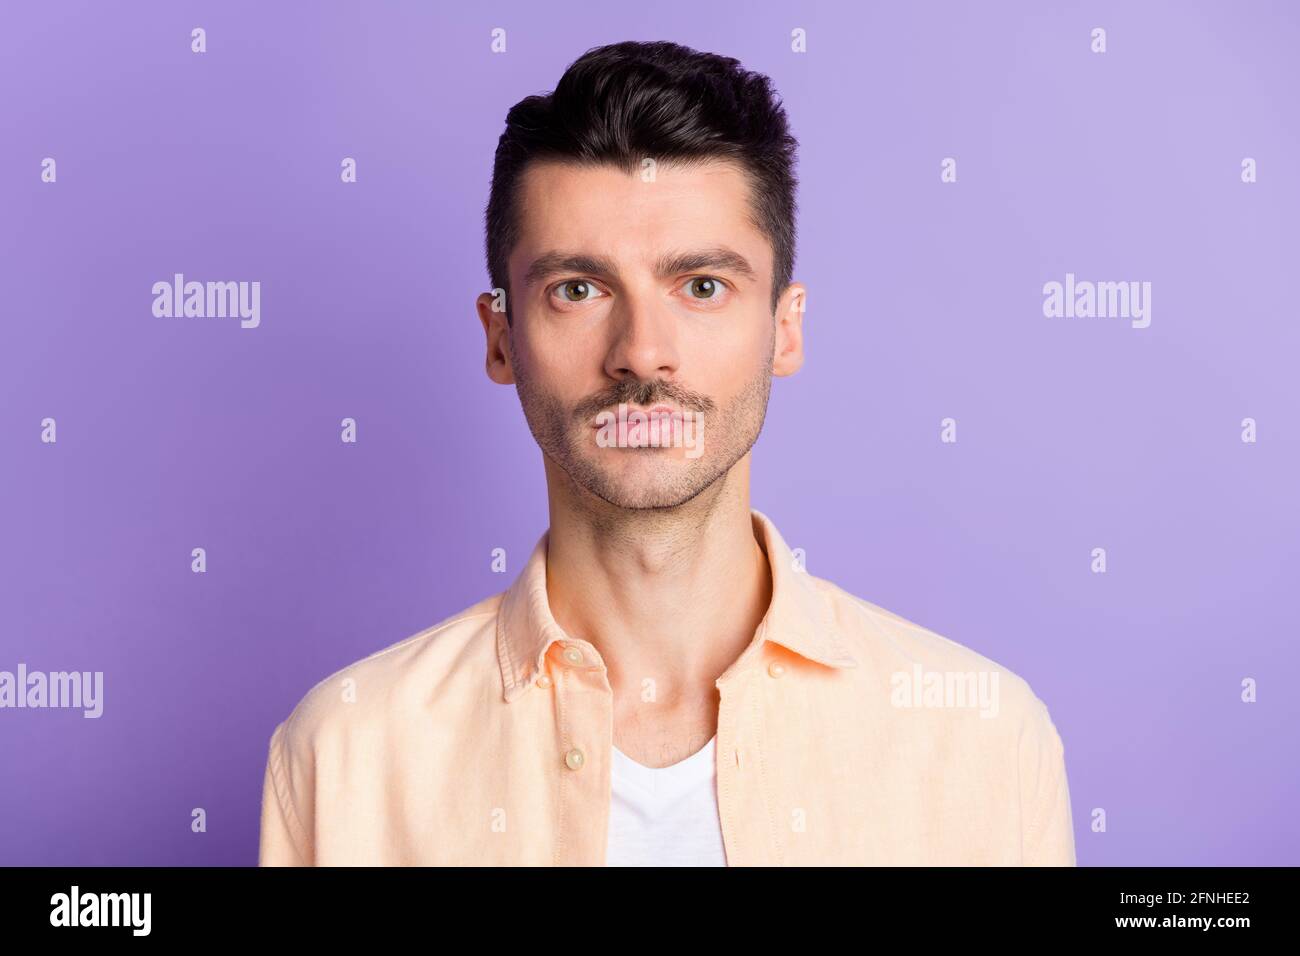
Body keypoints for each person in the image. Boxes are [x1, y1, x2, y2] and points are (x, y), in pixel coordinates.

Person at [258, 40, 1076, 866]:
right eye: (578, 289)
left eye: (702, 286)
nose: (643, 354)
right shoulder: (345, 757)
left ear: (784, 328)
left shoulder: (984, 743)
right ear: (501, 338)